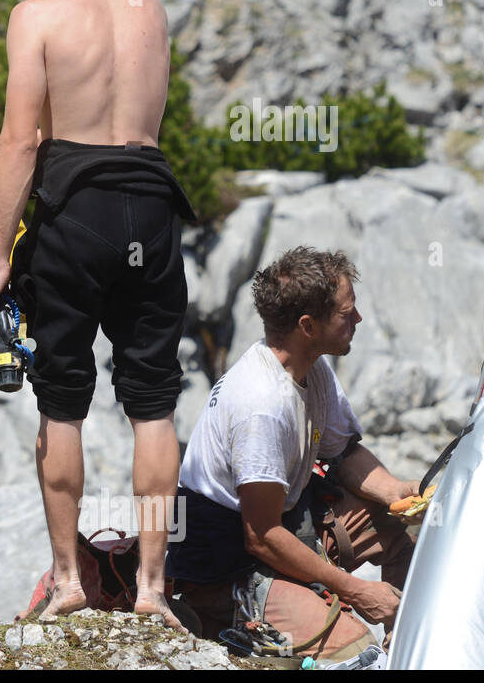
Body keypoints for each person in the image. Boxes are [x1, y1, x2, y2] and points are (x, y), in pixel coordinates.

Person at [0, 0, 195, 629]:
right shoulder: (151, 8)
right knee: (154, 404)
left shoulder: (34, 15)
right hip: (149, 202)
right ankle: (153, 587)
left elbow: (25, 141)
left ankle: (70, 577)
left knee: (62, 403)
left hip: (74, 209)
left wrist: (1, 257)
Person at [167, 248, 418, 649]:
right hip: (230, 564)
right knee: (356, 652)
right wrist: (356, 590)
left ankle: (407, 638)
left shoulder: (312, 367)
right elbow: (261, 536)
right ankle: (219, 616)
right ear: (308, 326)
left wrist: (392, 491)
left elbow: (343, 453)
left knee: (398, 525)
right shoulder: (262, 405)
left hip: (287, 521)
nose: (358, 319)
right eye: (346, 313)